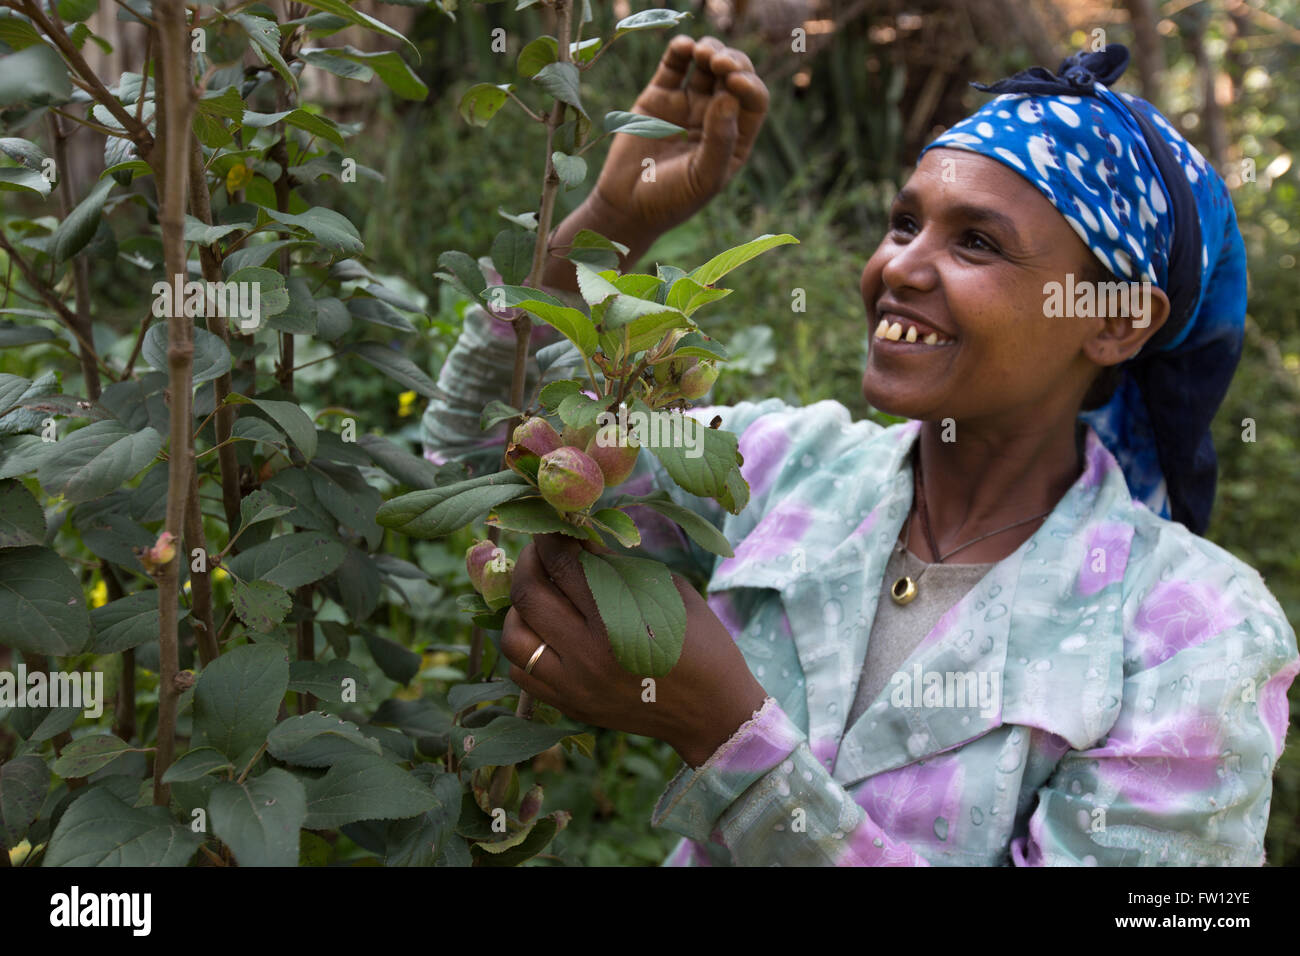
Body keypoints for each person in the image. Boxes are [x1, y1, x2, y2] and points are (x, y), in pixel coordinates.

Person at [422, 36, 1299, 865]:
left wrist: (727, 737)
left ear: (1112, 321)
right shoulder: (772, 466)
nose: (900, 268)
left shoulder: (1195, 631)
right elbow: (483, 456)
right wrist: (609, 224)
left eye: (977, 242)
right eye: (903, 223)